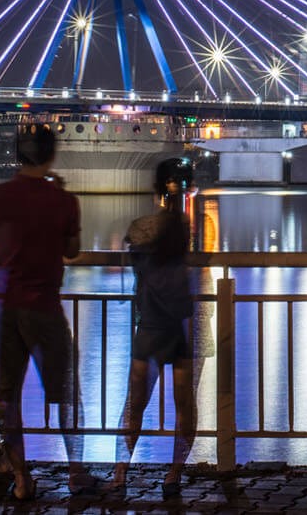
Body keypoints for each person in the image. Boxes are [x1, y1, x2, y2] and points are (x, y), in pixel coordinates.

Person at [0, 124, 96, 501]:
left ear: (18, 155)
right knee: (68, 392)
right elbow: (72, 250)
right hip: (44, 307)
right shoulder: (63, 201)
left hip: (2, 303)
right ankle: (76, 472)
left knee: (6, 398)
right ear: (52, 155)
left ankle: (21, 479)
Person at [113, 158, 199, 498]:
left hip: (148, 322)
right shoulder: (186, 227)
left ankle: (120, 474)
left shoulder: (140, 227)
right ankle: (173, 474)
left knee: (135, 404)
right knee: (184, 405)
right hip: (180, 323)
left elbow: (131, 244)